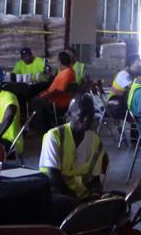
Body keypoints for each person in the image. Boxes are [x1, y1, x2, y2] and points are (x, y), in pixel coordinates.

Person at [41, 95, 105, 223]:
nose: (87, 119)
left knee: (120, 202)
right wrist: (80, 203)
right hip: (58, 196)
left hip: (82, 197)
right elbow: (54, 181)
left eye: (90, 114)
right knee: (65, 204)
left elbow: (96, 179)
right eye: (82, 115)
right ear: (69, 115)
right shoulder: (54, 137)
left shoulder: (95, 140)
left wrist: (96, 195)